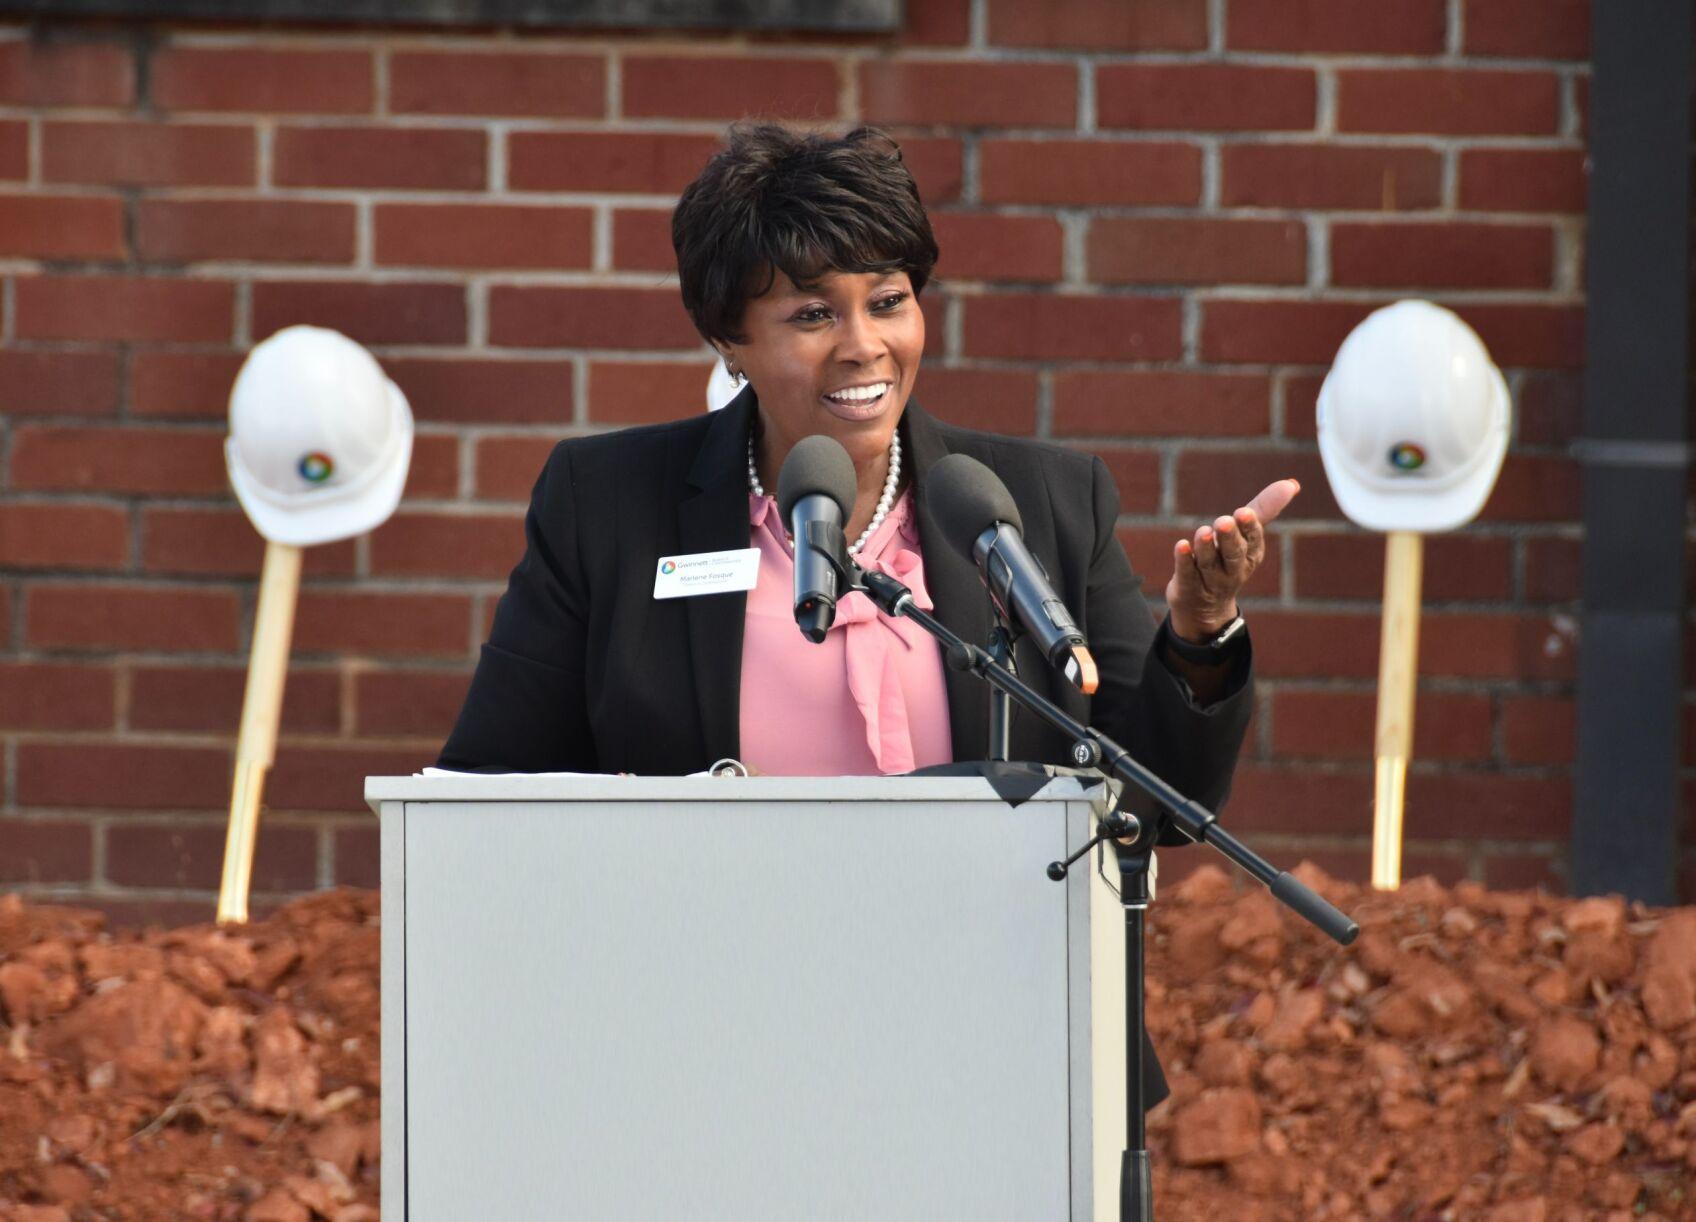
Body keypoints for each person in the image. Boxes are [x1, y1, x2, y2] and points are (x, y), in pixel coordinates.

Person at [437, 122, 1296, 1113]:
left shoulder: (1037, 503)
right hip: (698, 1044)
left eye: (888, 301)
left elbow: (1160, 794)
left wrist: (1199, 628)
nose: (864, 345)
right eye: (811, 314)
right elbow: (486, 797)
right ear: (729, 340)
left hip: (996, 1041)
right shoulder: (609, 506)